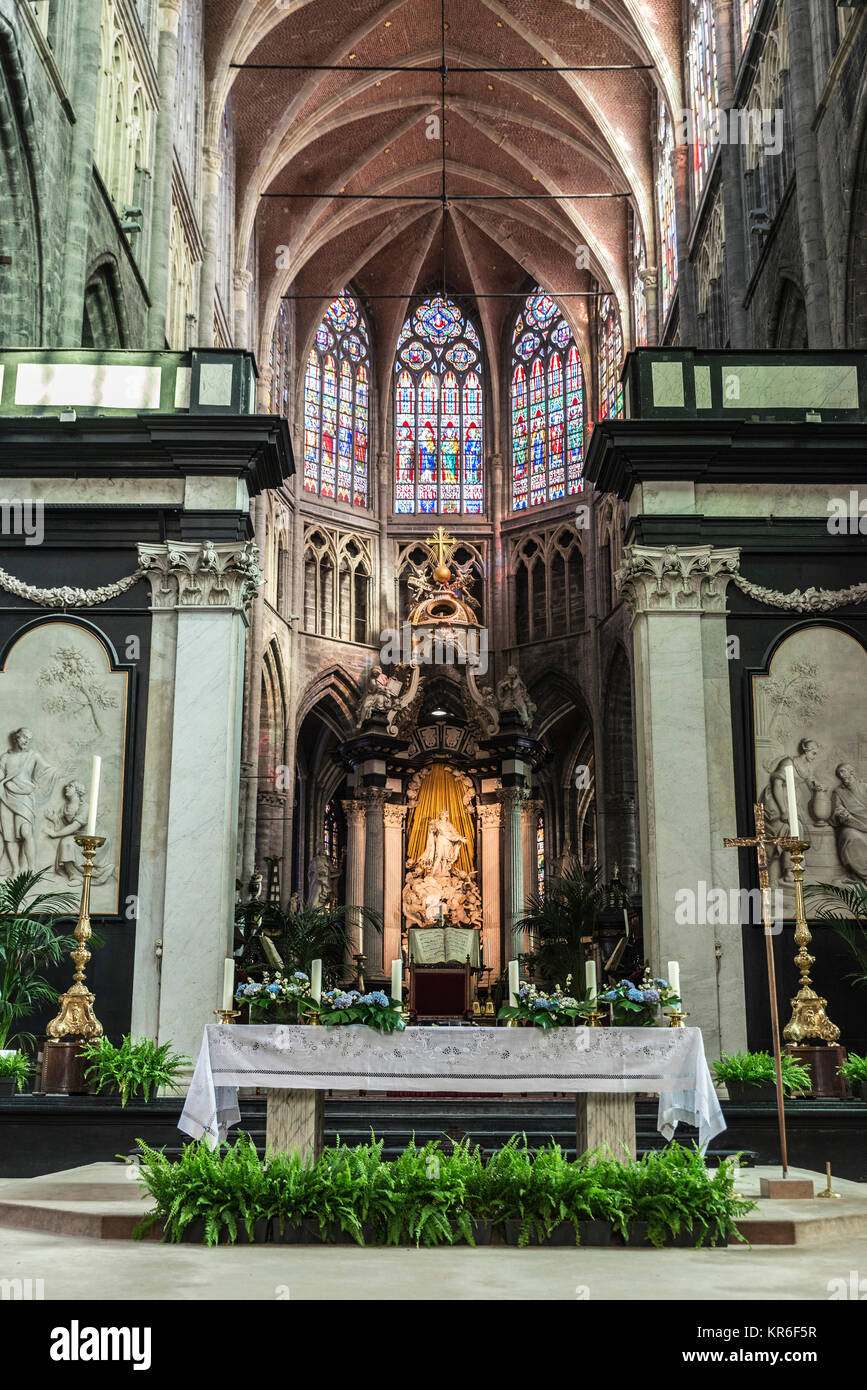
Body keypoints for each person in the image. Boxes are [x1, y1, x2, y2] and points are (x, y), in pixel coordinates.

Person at [0, 727, 55, 874]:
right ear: (16, 738)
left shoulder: (33, 755)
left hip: (24, 797)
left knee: (26, 831)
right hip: (6, 797)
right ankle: (16, 869)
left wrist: (56, 774)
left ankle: (31, 868)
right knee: (9, 835)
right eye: (24, 737)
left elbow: (48, 771)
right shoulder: (5, 757)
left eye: (29, 739)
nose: (26, 741)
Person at [43, 781, 87, 880]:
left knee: (67, 842)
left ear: (77, 790)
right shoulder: (65, 807)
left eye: (70, 786)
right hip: (76, 836)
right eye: (66, 786)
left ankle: (77, 875)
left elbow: (74, 826)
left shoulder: (84, 807)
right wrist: (54, 819)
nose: (66, 788)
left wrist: (56, 834)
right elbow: (60, 825)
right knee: (66, 841)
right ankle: (73, 875)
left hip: (89, 836)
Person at [830, 764, 867, 882]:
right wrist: (842, 814)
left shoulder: (865, 787)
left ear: (852, 772)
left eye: (844, 772)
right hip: (853, 825)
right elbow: (838, 809)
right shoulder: (838, 792)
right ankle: (864, 875)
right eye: (840, 774)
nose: (842, 776)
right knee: (850, 836)